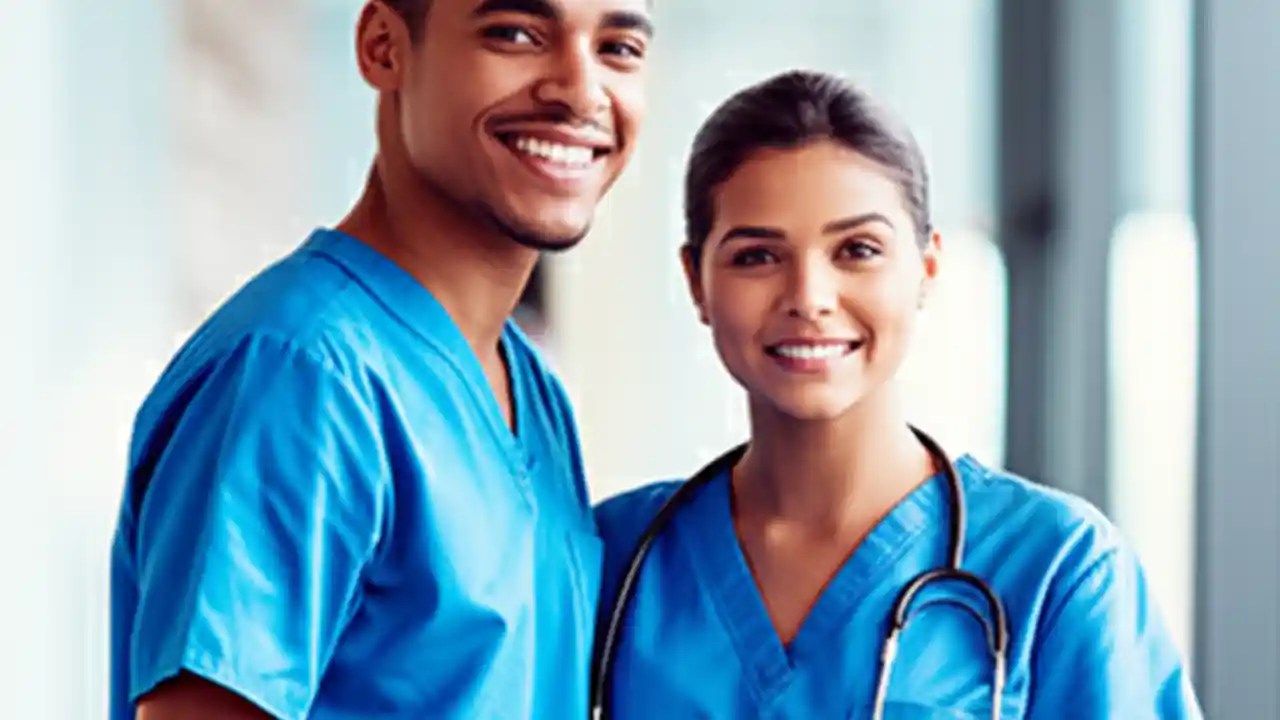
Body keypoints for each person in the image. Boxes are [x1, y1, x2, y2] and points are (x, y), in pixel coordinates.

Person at [592, 70, 1202, 719]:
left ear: (926, 269)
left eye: (857, 250)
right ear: (695, 282)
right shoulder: (618, 558)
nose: (808, 298)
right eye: (756, 257)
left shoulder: (1058, 568)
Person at [109, 0, 652, 717]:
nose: (581, 92)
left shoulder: (532, 393)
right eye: (515, 34)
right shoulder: (302, 373)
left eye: (616, 48)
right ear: (382, 47)